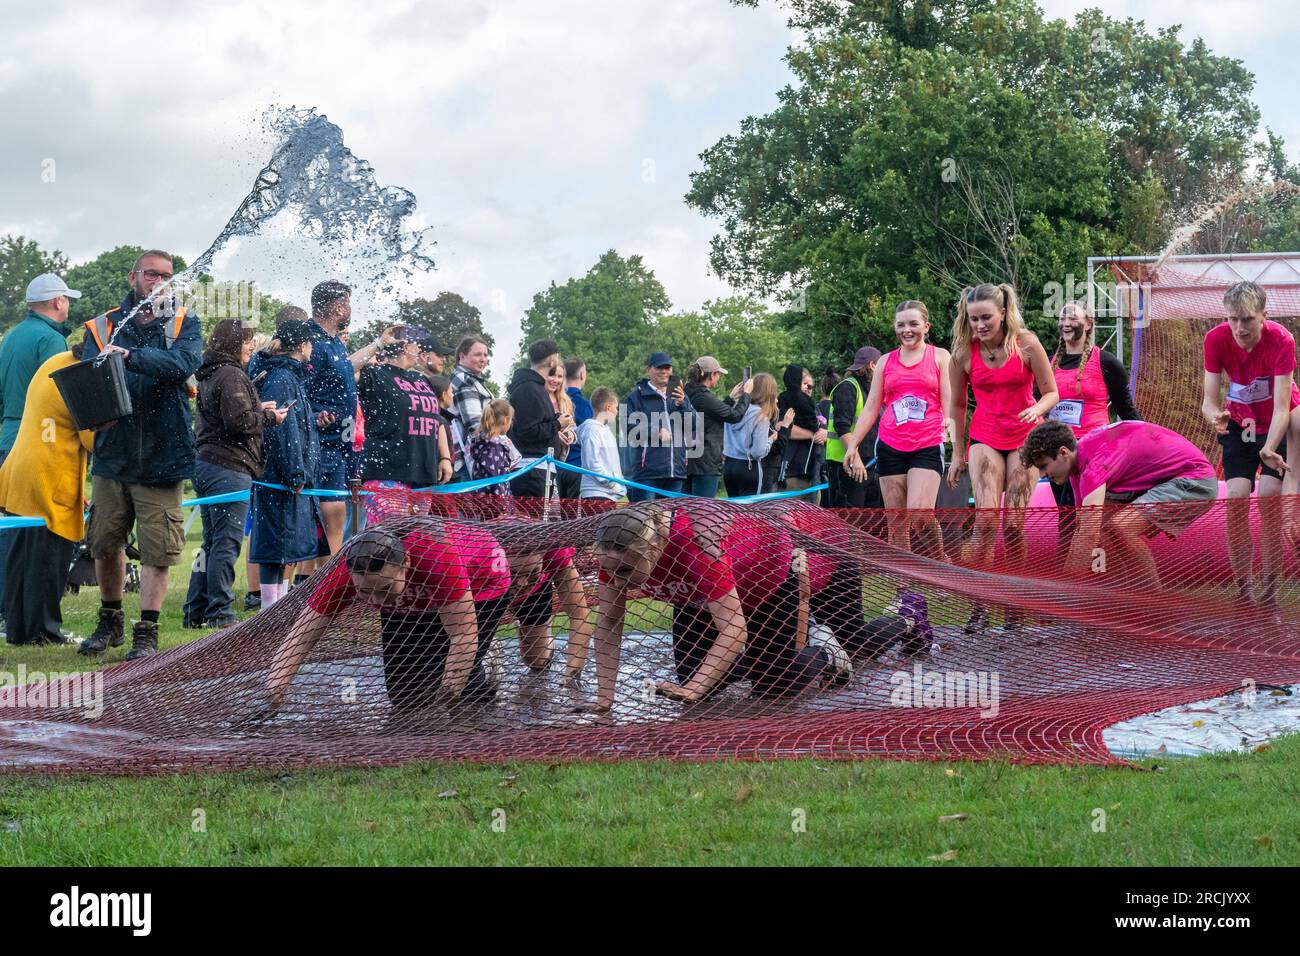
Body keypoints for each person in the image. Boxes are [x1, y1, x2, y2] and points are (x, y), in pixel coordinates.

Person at [588, 501, 845, 713]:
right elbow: (609, 623)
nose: (616, 580)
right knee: (696, 679)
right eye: (610, 571)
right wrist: (604, 700)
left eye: (624, 571)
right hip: (700, 596)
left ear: (653, 549)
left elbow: (734, 628)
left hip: (765, 580)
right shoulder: (614, 554)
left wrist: (694, 690)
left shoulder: (695, 543)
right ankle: (756, 663)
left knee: (774, 684)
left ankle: (825, 652)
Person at [79, 249, 203, 659]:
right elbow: (86, 377)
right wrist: (95, 413)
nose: (159, 281)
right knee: (104, 542)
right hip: (113, 453)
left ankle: (147, 631)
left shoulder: (184, 321)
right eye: (151, 274)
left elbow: (184, 363)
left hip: (164, 454)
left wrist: (131, 357)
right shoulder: (102, 325)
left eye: (167, 276)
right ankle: (109, 621)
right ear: (133, 277)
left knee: (158, 549)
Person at [262, 523, 513, 723]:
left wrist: (447, 702)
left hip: (482, 579)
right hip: (418, 593)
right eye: (365, 593)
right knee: (405, 696)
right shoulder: (344, 571)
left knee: (453, 681)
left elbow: (463, 634)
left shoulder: (436, 555)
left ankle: (486, 659)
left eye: (383, 589)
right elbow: (302, 635)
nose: (375, 600)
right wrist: (274, 692)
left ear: (405, 564)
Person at [946, 283, 1058, 633]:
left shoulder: (1026, 342)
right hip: (984, 436)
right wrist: (955, 453)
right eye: (973, 318)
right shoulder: (963, 353)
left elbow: (1051, 391)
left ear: (1003, 314)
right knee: (985, 522)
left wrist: (1036, 409)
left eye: (986, 318)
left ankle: (1015, 604)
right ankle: (979, 604)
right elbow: (958, 405)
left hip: (1025, 437)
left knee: (1012, 525)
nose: (979, 324)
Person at [1022, 420, 1217, 591]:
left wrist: (1065, 593)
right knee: (1104, 526)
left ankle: (1153, 603)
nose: (1042, 475)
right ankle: (1120, 595)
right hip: (1164, 479)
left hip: (1195, 480)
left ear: (1063, 452)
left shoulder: (1094, 464)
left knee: (1120, 527)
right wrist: (1066, 581)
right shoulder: (1078, 468)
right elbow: (1084, 529)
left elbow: (1088, 534)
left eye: (1043, 466)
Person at [1201, 280, 1300, 611]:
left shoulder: (1281, 340)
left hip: (1277, 425)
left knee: (1269, 499)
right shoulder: (1215, 339)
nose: (1239, 328)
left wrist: (1269, 447)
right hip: (1240, 426)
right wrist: (1215, 416)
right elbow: (1208, 401)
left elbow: (1283, 407)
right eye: (1232, 319)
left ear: (1263, 316)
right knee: (1236, 498)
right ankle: (1244, 590)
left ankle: (1271, 592)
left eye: (1247, 320)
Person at [183, 320, 287, 629]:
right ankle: (221, 613)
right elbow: (238, 421)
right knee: (226, 543)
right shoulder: (230, 374)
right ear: (231, 344)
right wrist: (269, 416)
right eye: (246, 340)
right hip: (228, 468)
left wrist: (256, 404)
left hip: (208, 465)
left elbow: (232, 412)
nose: (251, 345)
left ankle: (196, 610)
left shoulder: (214, 372)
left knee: (212, 542)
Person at [0, 273, 78, 636]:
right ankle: (37, 623)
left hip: (7, 442)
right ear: (57, 302)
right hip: (40, 444)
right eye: (67, 299)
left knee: (13, 537)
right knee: (43, 540)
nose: (69, 305)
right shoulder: (51, 340)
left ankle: (9, 615)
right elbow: (63, 398)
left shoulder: (11, 336)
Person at [0, 342, 91, 644]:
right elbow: (92, 439)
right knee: (48, 559)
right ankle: (45, 631)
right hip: (48, 479)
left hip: (19, 471)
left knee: (20, 559)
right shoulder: (81, 375)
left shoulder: (56, 361)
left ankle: (18, 630)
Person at [843, 302, 951, 556]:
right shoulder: (884, 361)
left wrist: (953, 443)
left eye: (913, 324)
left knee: (920, 515)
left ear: (926, 326)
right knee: (897, 525)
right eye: (901, 324)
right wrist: (853, 445)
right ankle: (904, 591)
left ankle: (940, 560)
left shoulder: (940, 356)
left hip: (927, 443)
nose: (907, 330)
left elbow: (951, 403)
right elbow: (871, 408)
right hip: (891, 445)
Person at [248, 320, 321, 609]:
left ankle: (278, 609)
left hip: (286, 476)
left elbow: (296, 425)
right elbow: (281, 430)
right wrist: (296, 472)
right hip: (280, 478)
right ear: (303, 346)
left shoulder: (291, 376)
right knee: (275, 547)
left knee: (286, 549)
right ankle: (270, 612)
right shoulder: (282, 378)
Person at [357, 327, 452, 501]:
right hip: (387, 473)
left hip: (423, 475)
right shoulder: (375, 375)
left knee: (417, 530)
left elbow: (435, 420)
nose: (421, 350)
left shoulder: (422, 380)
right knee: (387, 529)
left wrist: (445, 457)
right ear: (406, 346)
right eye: (418, 345)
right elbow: (344, 369)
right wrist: (379, 344)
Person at [303, 280, 356, 563]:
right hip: (318, 446)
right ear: (338, 306)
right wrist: (313, 416)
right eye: (348, 303)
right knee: (315, 520)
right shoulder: (312, 342)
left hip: (339, 447)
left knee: (336, 515)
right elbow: (297, 388)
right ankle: (303, 591)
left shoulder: (335, 341)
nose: (350, 310)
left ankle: (328, 587)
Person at [623, 352, 696, 501]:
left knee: (666, 523)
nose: (664, 371)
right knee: (644, 522)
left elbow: (695, 424)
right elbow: (628, 427)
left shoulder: (679, 395)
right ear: (648, 370)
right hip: (647, 474)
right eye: (659, 367)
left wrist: (684, 405)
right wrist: (655, 431)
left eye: (667, 367)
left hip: (676, 472)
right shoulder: (634, 397)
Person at [684, 356, 753, 500]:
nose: (719, 378)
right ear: (712, 375)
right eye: (718, 374)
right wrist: (746, 394)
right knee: (702, 512)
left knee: (685, 511)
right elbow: (734, 416)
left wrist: (731, 398)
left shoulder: (688, 392)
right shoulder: (704, 397)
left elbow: (713, 413)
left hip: (688, 460)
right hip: (706, 463)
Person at [507, 340, 567, 500]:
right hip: (531, 473)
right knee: (533, 523)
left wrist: (556, 421)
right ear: (552, 361)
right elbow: (527, 430)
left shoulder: (535, 387)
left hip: (538, 470)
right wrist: (558, 424)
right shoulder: (529, 389)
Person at [826, 347, 884, 509]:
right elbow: (842, 426)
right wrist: (855, 459)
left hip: (871, 464)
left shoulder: (874, 390)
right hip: (847, 465)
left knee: (869, 521)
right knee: (849, 520)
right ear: (873, 365)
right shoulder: (848, 387)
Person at [722, 372, 784, 497]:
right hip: (748, 467)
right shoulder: (761, 416)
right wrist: (770, 440)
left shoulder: (734, 409)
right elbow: (757, 452)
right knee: (749, 512)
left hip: (729, 465)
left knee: (733, 510)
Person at [768, 365, 826, 492]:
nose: (808, 389)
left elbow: (822, 428)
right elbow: (780, 426)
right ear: (796, 382)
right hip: (789, 472)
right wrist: (812, 435)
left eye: (811, 386)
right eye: (805, 384)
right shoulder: (784, 400)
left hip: (812, 474)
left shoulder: (814, 406)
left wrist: (825, 433)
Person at [450, 335, 494, 480]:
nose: (483, 359)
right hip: (467, 461)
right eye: (478, 354)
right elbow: (475, 424)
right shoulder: (465, 381)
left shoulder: (470, 379)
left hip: (471, 457)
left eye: (485, 355)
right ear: (462, 356)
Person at [467, 399, 522, 499]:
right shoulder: (494, 448)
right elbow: (496, 481)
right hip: (494, 506)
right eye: (511, 420)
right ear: (505, 420)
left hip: (482, 501)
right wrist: (504, 507)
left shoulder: (481, 442)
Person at [578, 387, 626, 502]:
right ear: (608, 408)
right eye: (616, 408)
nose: (617, 412)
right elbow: (593, 464)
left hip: (608, 495)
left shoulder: (606, 429)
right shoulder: (592, 430)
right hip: (596, 494)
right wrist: (612, 484)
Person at [559, 357, 593, 499]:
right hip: (577, 467)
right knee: (575, 519)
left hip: (556, 467)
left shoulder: (554, 401)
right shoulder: (585, 405)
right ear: (582, 375)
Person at [546, 360, 579, 497]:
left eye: (559, 377)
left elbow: (573, 427)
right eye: (552, 375)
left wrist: (570, 435)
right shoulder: (539, 397)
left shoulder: (566, 401)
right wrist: (555, 432)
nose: (555, 380)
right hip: (543, 459)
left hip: (561, 459)